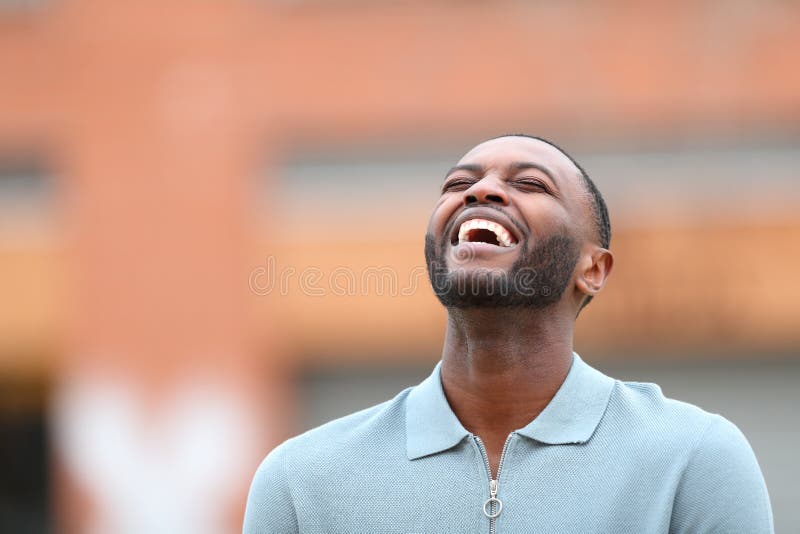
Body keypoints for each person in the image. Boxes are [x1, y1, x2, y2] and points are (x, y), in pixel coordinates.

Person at [243, 135, 773, 533]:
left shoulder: (692, 458)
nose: (480, 190)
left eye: (531, 184)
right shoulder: (301, 481)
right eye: (457, 185)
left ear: (593, 269)